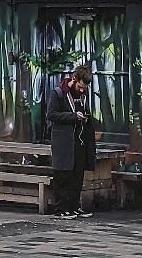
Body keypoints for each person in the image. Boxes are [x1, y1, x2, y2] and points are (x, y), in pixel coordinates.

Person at [45, 65, 96, 219]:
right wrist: (73, 116)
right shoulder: (58, 93)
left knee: (77, 176)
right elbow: (51, 115)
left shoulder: (83, 95)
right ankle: (61, 208)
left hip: (79, 141)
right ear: (74, 80)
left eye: (85, 88)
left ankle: (74, 206)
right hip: (63, 142)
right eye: (80, 87)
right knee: (63, 175)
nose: (82, 90)